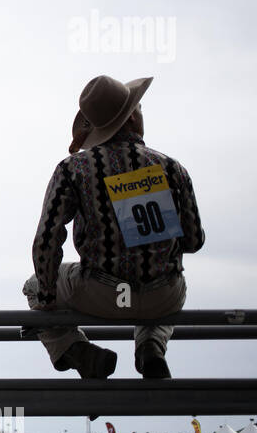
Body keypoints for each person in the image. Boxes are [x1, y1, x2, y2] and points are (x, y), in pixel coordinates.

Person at [24, 76, 204, 379]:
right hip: (163, 296)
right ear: (132, 117)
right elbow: (194, 240)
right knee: (166, 282)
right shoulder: (172, 168)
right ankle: (151, 346)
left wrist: (46, 302)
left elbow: (46, 242)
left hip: (103, 295)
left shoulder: (74, 169)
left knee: (34, 286)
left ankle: (77, 351)